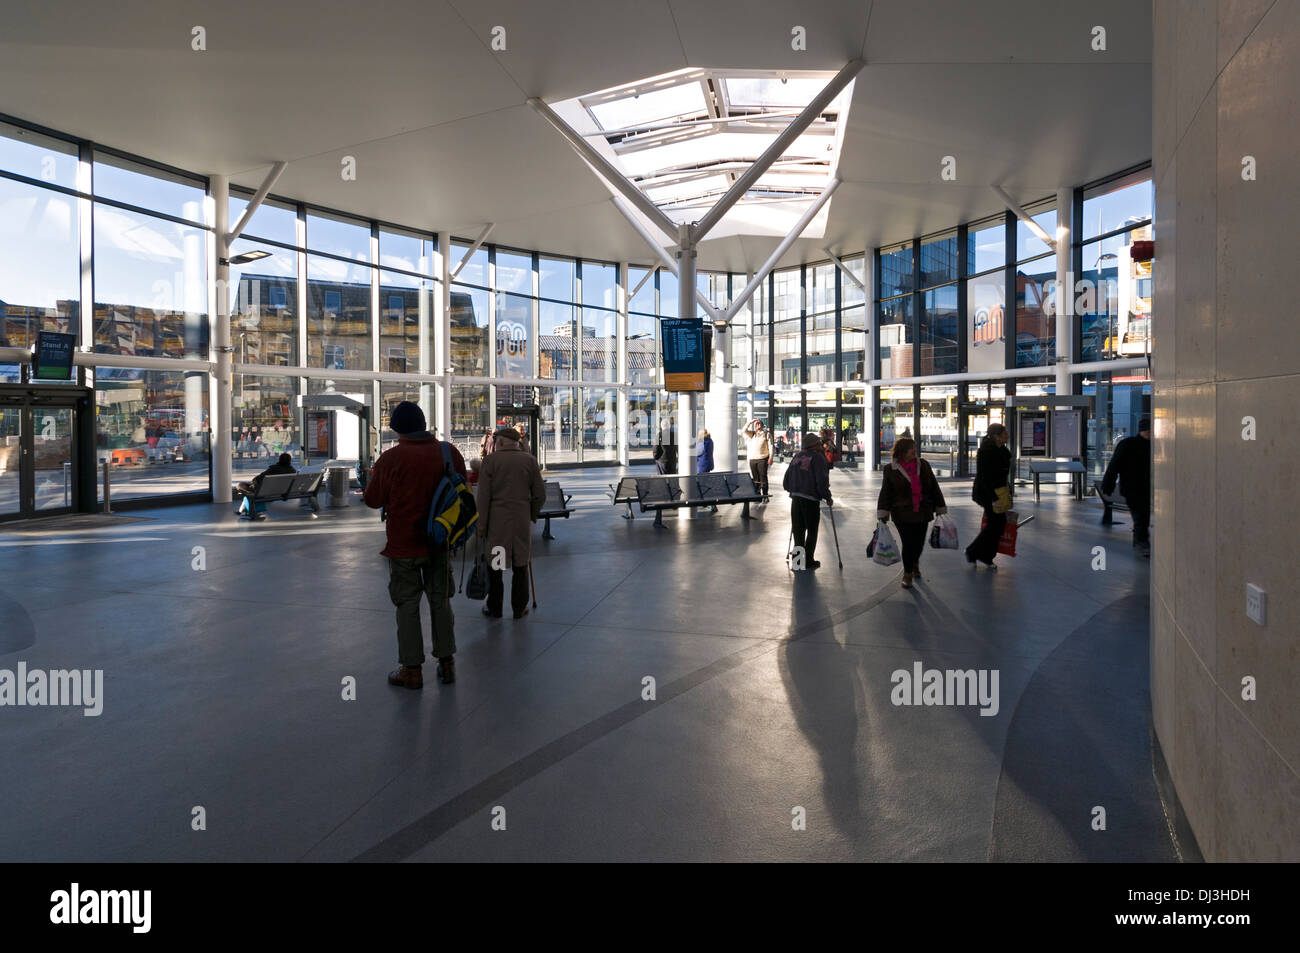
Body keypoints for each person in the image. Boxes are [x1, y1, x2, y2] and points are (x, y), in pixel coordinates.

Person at [364, 401, 468, 688]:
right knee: (441, 602)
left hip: (404, 546)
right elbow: (464, 493)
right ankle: (447, 664)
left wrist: (377, 479)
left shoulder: (391, 459)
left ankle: (412, 670)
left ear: (397, 429)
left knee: (407, 605)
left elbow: (373, 500)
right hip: (439, 543)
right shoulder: (448, 452)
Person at [476, 426, 546, 619]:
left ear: (499, 442)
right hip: (521, 523)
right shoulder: (530, 461)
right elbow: (540, 494)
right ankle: (518, 608)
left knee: (497, 566)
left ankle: (495, 608)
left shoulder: (490, 461)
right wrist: (531, 514)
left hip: (498, 526)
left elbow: (483, 498)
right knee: (521, 565)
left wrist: (481, 527)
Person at [877, 437, 947, 588]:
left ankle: (915, 562)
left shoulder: (924, 465)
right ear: (902, 452)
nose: (914, 451)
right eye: (911, 448)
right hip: (902, 513)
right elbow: (886, 492)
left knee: (919, 543)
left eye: (915, 447)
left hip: (922, 511)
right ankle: (907, 573)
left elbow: (934, 487)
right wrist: (883, 513)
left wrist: (940, 507)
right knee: (908, 543)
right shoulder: (891, 469)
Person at [1102, 416, 1152, 557]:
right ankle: (1142, 541)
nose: (1150, 434)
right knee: (1140, 515)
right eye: (1147, 431)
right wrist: (1109, 483)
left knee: (1143, 515)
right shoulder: (1128, 444)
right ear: (1141, 430)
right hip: (1132, 488)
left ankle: (1140, 540)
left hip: (1145, 488)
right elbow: (1114, 466)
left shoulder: (1151, 445)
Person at [965, 423, 1012, 570]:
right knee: (995, 523)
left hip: (999, 491)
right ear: (997, 436)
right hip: (987, 492)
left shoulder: (1003, 450)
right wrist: (994, 499)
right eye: (1005, 433)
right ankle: (973, 552)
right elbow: (985, 477)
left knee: (997, 524)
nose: (1007, 435)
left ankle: (985, 556)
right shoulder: (986, 451)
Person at [783, 433, 832, 570]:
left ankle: (798, 562)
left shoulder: (797, 457)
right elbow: (821, 481)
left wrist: (792, 490)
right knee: (811, 530)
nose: (821, 445)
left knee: (798, 530)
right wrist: (827, 496)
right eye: (818, 443)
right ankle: (808, 560)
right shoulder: (818, 458)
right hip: (810, 499)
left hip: (796, 498)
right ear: (814, 445)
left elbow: (786, 480)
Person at [237, 451, 296, 520]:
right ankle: (245, 506)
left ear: (280, 460)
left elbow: (258, 478)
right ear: (289, 461)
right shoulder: (292, 471)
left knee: (240, 485)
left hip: (264, 492)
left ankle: (250, 503)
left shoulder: (273, 469)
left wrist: (254, 483)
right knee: (249, 488)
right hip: (280, 492)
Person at [743, 420, 772, 497]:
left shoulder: (767, 434)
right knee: (755, 478)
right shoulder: (752, 434)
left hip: (763, 459)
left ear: (762, 425)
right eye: (756, 424)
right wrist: (750, 422)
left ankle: (765, 494)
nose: (757, 425)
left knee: (763, 477)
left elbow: (771, 447)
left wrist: (771, 457)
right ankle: (757, 494)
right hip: (752, 459)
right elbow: (744, 430)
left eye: (759, 424)